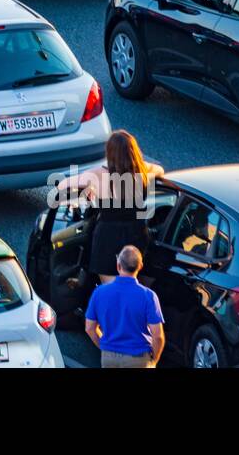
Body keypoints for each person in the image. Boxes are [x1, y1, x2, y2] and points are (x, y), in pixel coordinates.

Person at [57, 128, 164, 284]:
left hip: (108, 238)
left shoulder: (98, 174)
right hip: (136, 235)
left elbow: (62, 185)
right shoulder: (144, 171)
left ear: (110, 154)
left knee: (111, 287)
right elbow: (160, 170)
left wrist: (88, 190)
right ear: (133, 151)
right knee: (131, 284)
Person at [84, 245, 166, 368]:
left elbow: (90, 328)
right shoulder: (148, 296)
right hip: (138, 359)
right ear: (140, 267)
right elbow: (158, 336)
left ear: (118, 266)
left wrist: (106, 347)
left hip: (109, 359)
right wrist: (154, 360)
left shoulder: (99, 292)